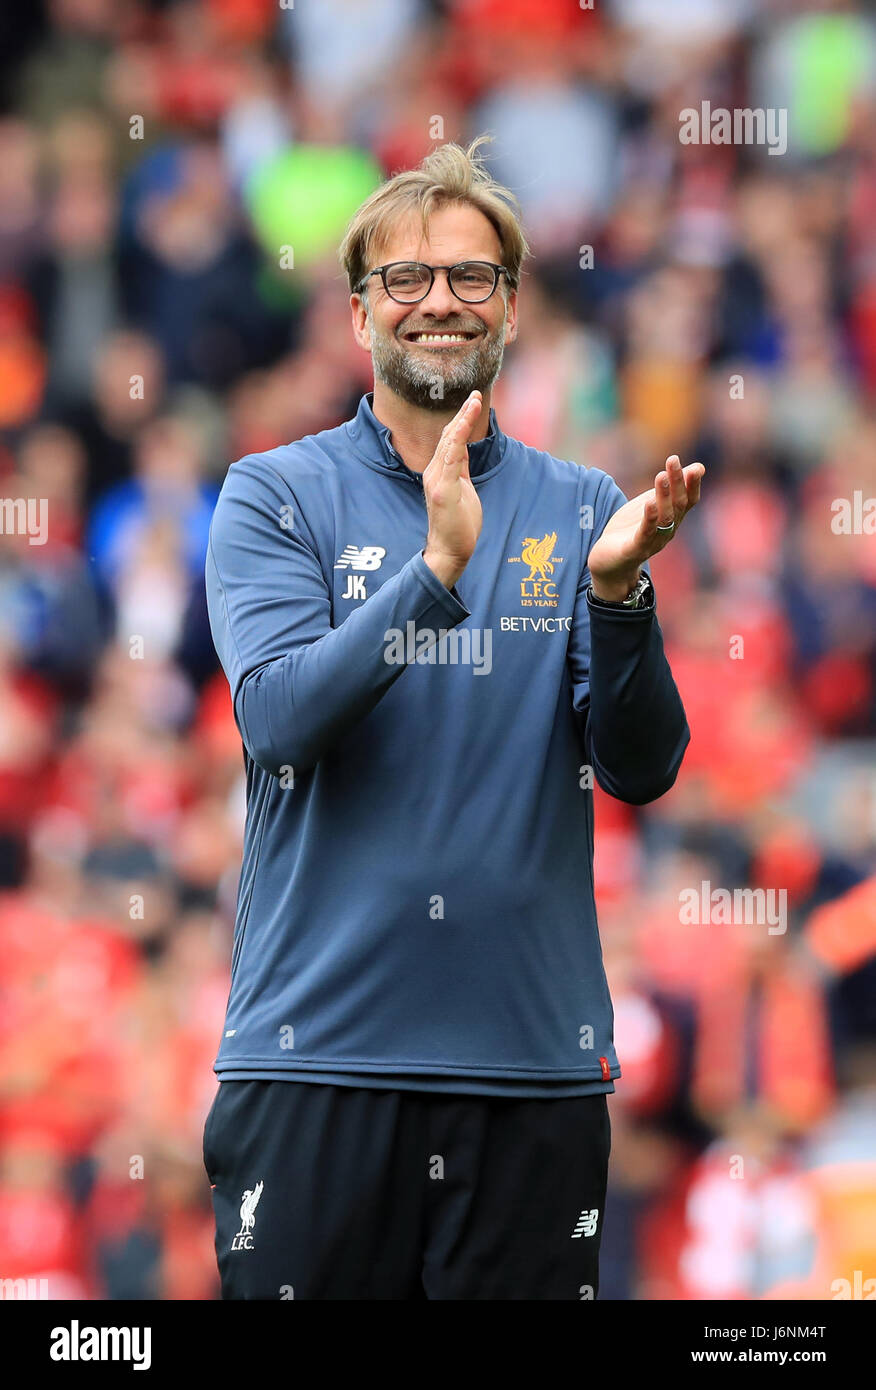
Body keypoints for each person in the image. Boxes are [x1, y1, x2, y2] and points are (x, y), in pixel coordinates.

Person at [202, 136, 704, 1299]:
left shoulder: (583, 507)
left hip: (532, 1073)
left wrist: (620, 597)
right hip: (315, 1063)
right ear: (359, 317)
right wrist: (433, 572)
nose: (440, 301)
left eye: (472, 277)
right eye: (407, 278)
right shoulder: (275, 494)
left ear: (511, 312)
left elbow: (643, 769)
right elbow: (278, 718)